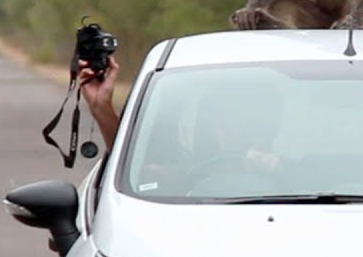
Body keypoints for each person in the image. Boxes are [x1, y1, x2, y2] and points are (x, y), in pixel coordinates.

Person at [77, 57, 281, 175]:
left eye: (244, 120)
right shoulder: (184, 176)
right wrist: (102, 108)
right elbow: (129, 170)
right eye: (222, 119)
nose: (230, 129)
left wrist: (277, 169)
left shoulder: (292, 171)